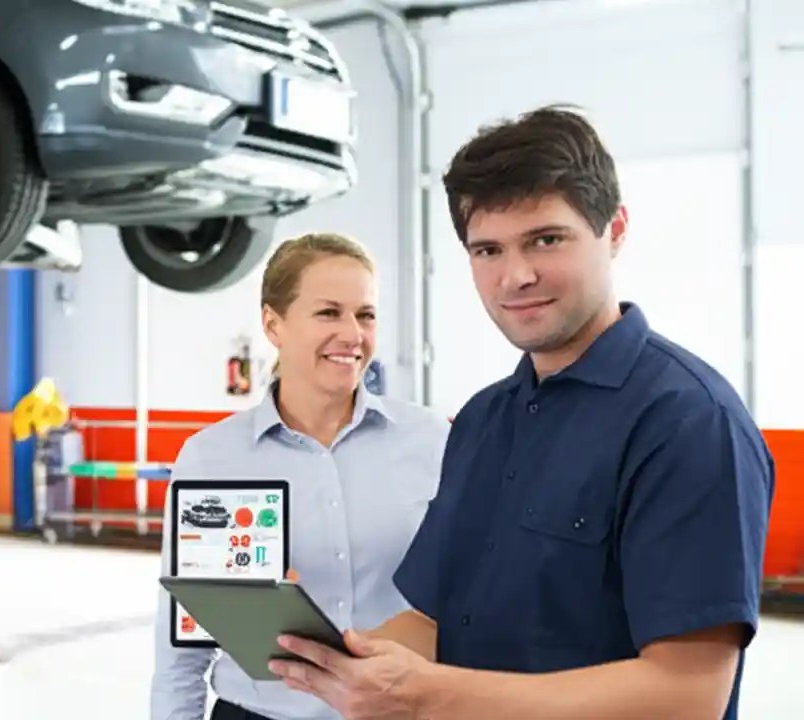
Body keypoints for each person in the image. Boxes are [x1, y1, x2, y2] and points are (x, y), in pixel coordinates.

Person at [267, 106, 776, 719]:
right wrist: (325, 655)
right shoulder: (483, 421)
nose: (517, 275)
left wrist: (428, 696)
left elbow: (686, 695)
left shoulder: (689, 422)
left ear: (614, 230)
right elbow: (434, 623)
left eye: (546, 239)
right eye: (487, 250)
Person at [150, 233, 452, 720]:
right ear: (274, 324)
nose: (353, 334)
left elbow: (465, 604)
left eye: (366, 314)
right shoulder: (215, 459)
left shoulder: (431, 442)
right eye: (329, 313)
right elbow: (186, 644)